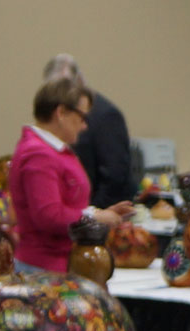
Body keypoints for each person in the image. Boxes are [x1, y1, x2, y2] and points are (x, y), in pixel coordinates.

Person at [8, 77, 132, 273]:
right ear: (61, 113)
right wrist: (96, 217)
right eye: (83, 117)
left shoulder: (51, 150)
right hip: (44, 268)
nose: (85, 126)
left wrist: (100, 213)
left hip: (56, 265)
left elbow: (66, 207)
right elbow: (49, 216)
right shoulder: (38, 154)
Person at [43, 54, 142, 207]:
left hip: (105, 211)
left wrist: (90, 217)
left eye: (63, 92)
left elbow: (114, 177)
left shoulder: (106, 115)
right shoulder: (60, 113)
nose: (58, 102)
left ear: (79, 83)